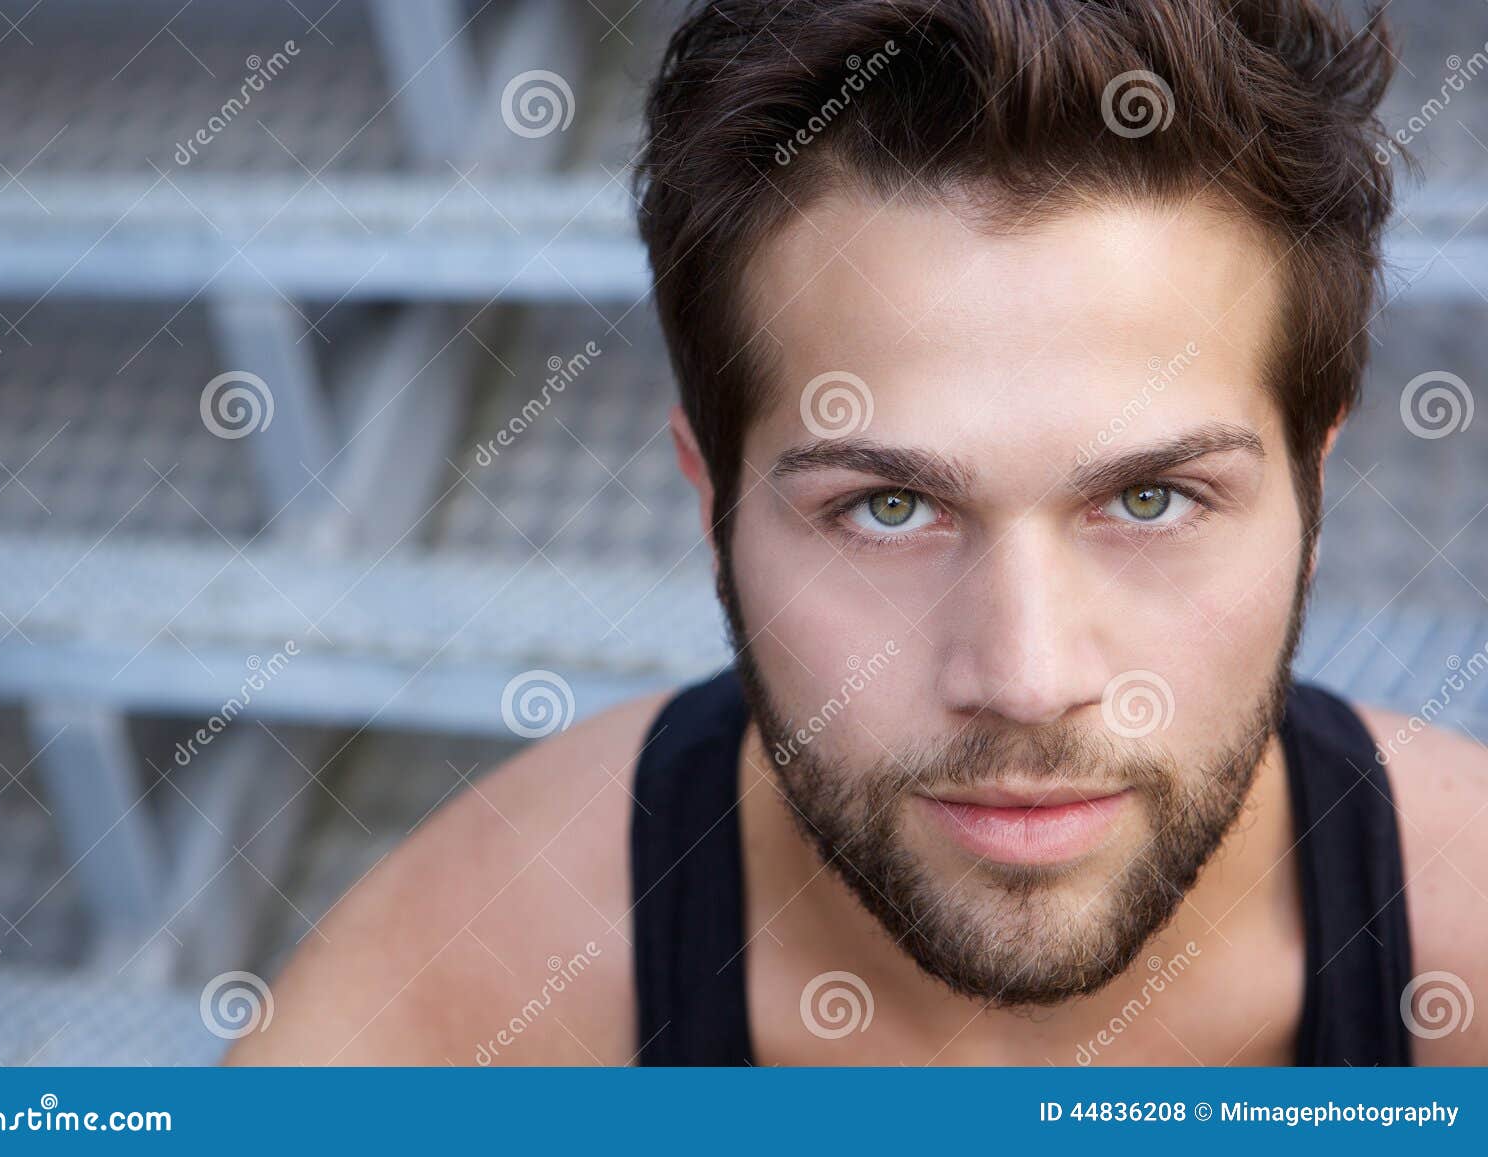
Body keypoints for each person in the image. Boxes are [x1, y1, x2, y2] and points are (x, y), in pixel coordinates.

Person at [230, 0, 1488, 1066]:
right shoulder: (463, 1002)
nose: (1024, 678)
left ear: (1313, 496)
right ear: (710, 501)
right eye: (887, 507)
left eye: (1149, 498)